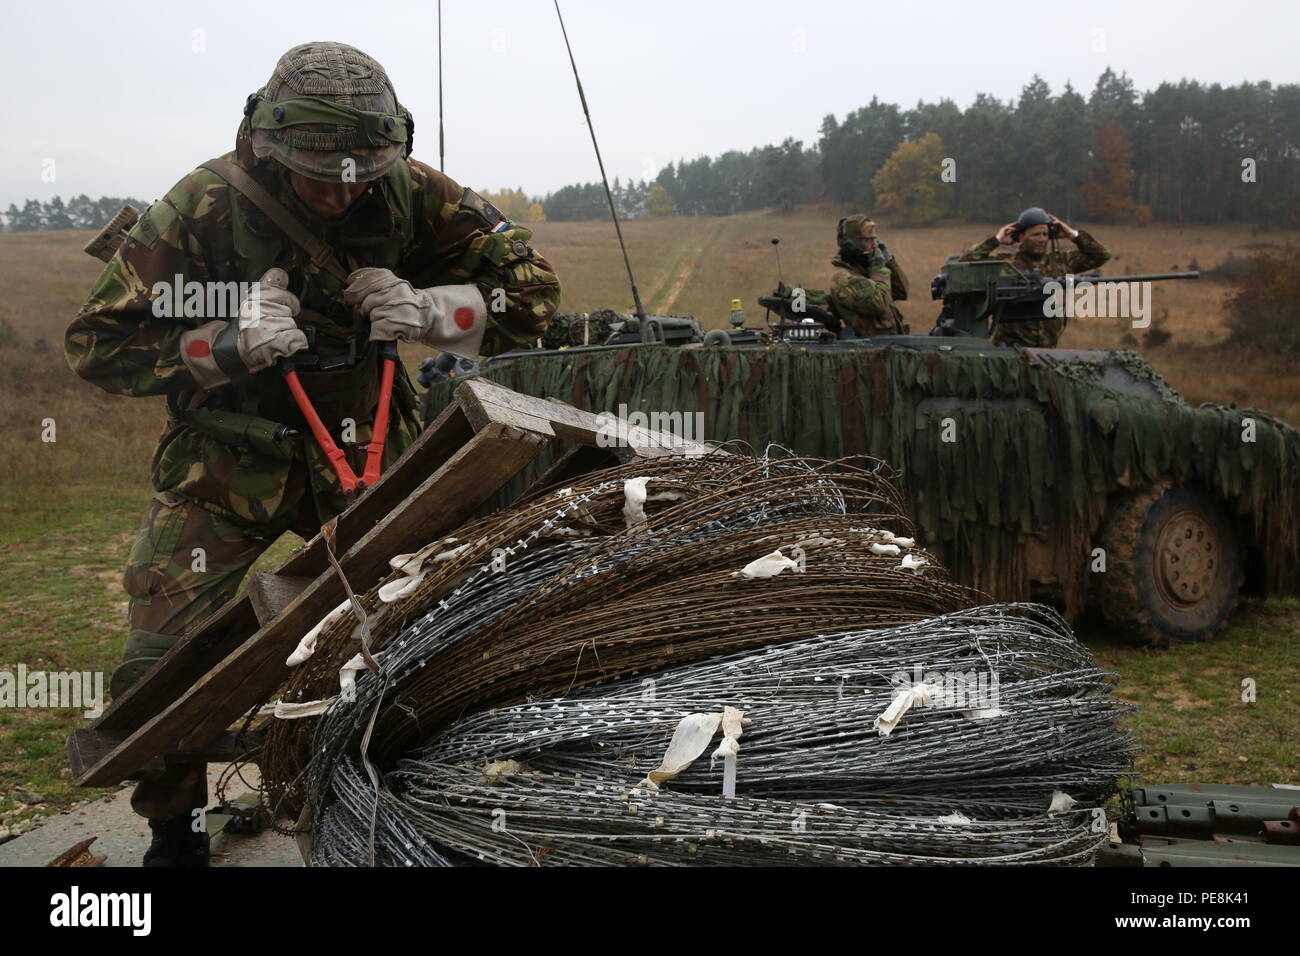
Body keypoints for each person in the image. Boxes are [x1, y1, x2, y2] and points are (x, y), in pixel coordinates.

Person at [64, 41, 561, 865]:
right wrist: (222, 344)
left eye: (360, 173)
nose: (339, 192)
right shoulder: (202, 206)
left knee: (422, 632)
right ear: (267, 145)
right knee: (160, 662)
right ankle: (176, 830)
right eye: (317, 172)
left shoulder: (413, 194)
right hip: (224, 462)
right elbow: (99, 344)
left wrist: (438, 312)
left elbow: (531, 298)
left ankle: (395, 799)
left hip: (368, 452)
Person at [960, 206, 1109, 346]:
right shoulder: (1006, 263)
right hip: (1009, 350)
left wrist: (1072, 235)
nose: (1042, 239)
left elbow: (1101, 255)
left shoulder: (1060, 262)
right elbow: (965, 263)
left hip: (1047, 351)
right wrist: (996, 240)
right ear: (1022, 238)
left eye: (1045, 234)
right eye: (1036, 235)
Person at [828, 215, 907, 335]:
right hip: (872, 349)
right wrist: (878, 268)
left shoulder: (867, 272)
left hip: (890, 346)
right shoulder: (845, 278)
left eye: (874, 239)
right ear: (851, 245)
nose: (874, 245)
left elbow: (901, 291)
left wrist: (889, 262)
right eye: (868, 240)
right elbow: (879, 305)